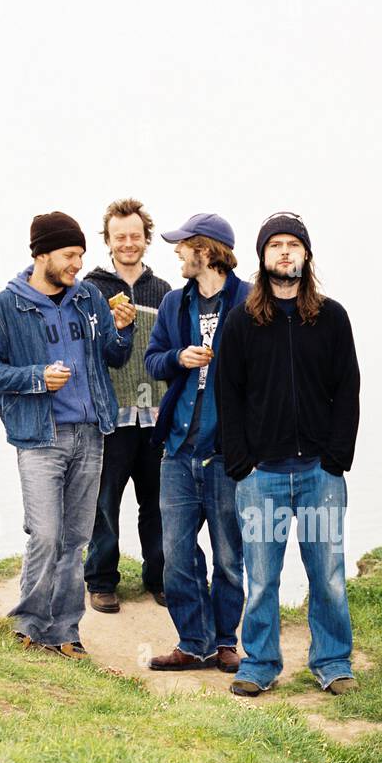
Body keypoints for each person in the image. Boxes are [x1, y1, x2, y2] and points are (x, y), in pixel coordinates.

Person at [0, 211, 133, 658]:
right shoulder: (3, 307)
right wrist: (36, 377)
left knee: (76, 537)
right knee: (45, 534)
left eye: (81, 255)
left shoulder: (89, 299)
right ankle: (29, 623)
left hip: (91, 433)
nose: (77, 264)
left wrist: (122, 329)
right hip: (39, 437)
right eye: (69, 255)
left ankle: (65, 631)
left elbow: (115, 358)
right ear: (41, 254)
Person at [217, 213, 361, 696]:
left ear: (306, 256)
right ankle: (259, 664)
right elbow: (228, 395)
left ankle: (333, 662)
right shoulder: (241, 322)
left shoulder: (331, 317)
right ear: (262, 257)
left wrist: (336, 458)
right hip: (262, 478)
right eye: (274, 245)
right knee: (261, 578)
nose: (284, 252)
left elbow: (348, 390)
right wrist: (241, 463)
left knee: (329, 576)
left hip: (320, 475)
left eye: (292, 245)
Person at [143, 213, 249, 672]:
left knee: (229, 556)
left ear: (204, 251)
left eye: (182, 246)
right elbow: (151, 362)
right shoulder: (172, 303)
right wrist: (178, 357)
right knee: (177, 556)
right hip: (177, 451)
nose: (176, 253)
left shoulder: (249, 300)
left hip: (227, 455)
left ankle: (225, 641)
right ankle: (193, 641)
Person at [83, 198, 172, 611]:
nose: (128, 243)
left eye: (135, 236)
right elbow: (85, 350)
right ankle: (101, 581)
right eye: (120, 237)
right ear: (108, 240)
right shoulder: (91, 289)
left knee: (157, 504)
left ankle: (160, 578)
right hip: (111, 416)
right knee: (105, 504)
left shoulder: (165, 291)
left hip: (155, 417)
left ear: (146, 238)